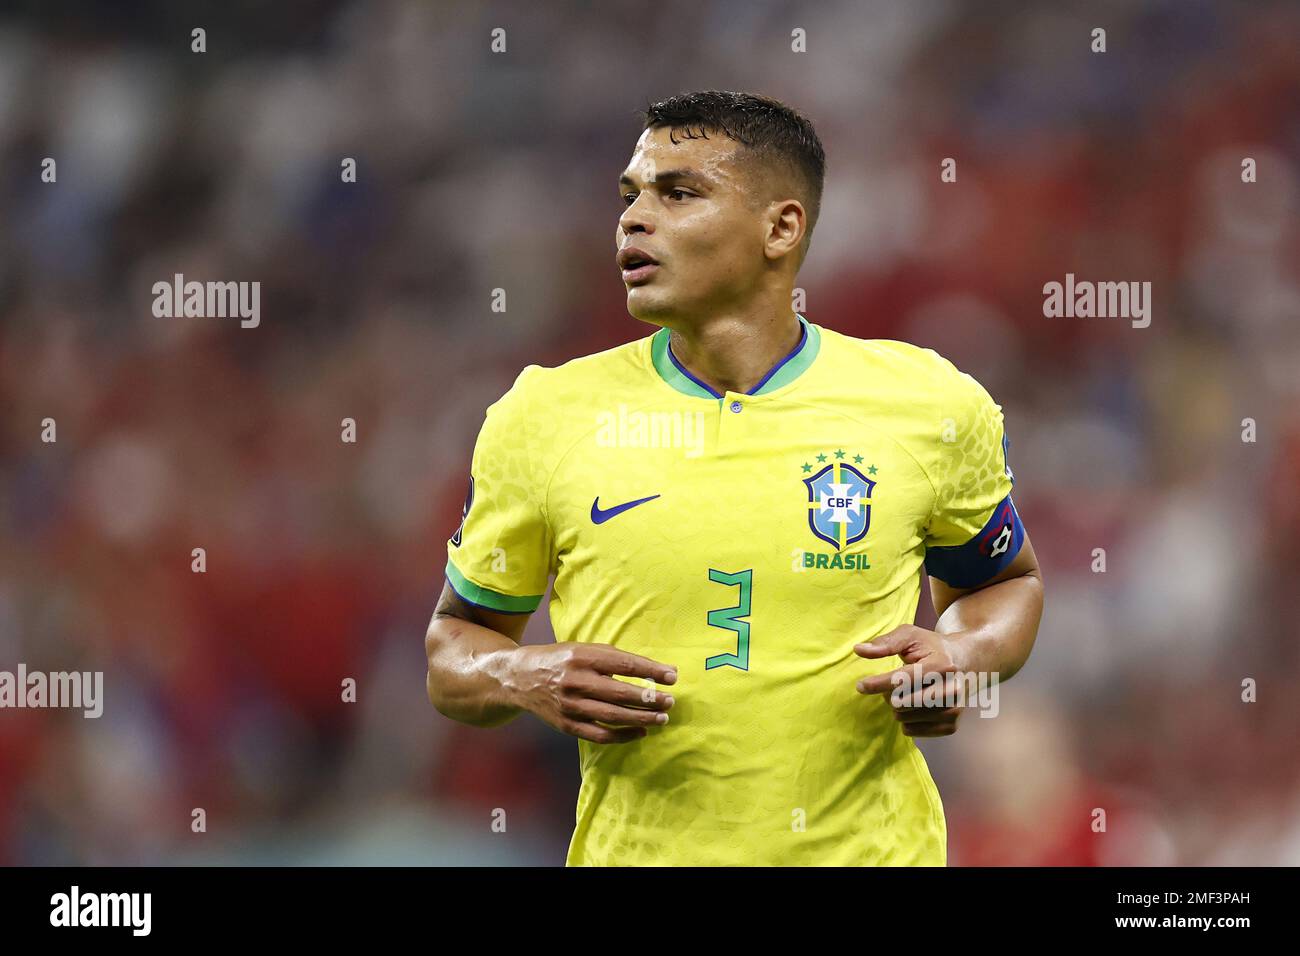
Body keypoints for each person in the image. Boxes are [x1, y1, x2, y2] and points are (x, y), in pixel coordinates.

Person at [425, 90, 1044, 866]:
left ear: (780, 228)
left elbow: (1003, 583)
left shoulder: (927, 405)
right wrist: (519, 673)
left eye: (678, 192)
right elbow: (454, 649)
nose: (632, 218)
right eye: (630, 195)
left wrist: (964, 657)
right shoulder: (543, 415)